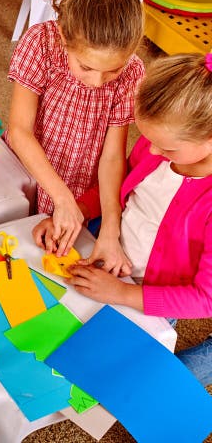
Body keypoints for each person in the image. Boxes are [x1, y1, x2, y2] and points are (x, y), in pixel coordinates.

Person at [65, 53, 212, 386]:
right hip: (118, 252)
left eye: (167, 149)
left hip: (158, 293)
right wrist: (80, 210)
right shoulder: (159, 142)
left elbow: (205, 298)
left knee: (141, 383)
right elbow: (124, 180)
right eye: (149, 140)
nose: (153, 152)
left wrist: (121, 294)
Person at [5, 0, 145, 275]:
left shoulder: (133, 72)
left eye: (112, 70)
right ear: (65, 37)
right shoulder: (41, 42)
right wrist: (60, 196)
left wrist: (111, 225)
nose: (98, 81)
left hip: (83, 185)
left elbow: (111, 158)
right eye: (86, 67)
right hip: (26, 170)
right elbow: (20, 131)